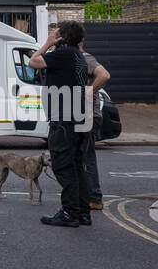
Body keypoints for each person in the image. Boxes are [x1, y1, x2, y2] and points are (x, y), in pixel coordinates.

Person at [30, 22, 94, 228]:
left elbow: (34, 61)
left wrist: (47, 43)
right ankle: (83, 212)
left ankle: (69, 213)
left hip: (64, 120)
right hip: (79, 117)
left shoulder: (64, 53)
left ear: (62, 37)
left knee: (63, 166)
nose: (52, 35)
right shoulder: (78, 56)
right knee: (76, 166)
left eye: (55, 33)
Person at [82, 42, 111, 211]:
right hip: (87, 115)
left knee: (86, 157)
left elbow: (105, 75)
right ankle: (89, 196)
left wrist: (87, 93)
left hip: (88, 115)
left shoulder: (86, 59)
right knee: (85, 156)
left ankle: (93, 197)